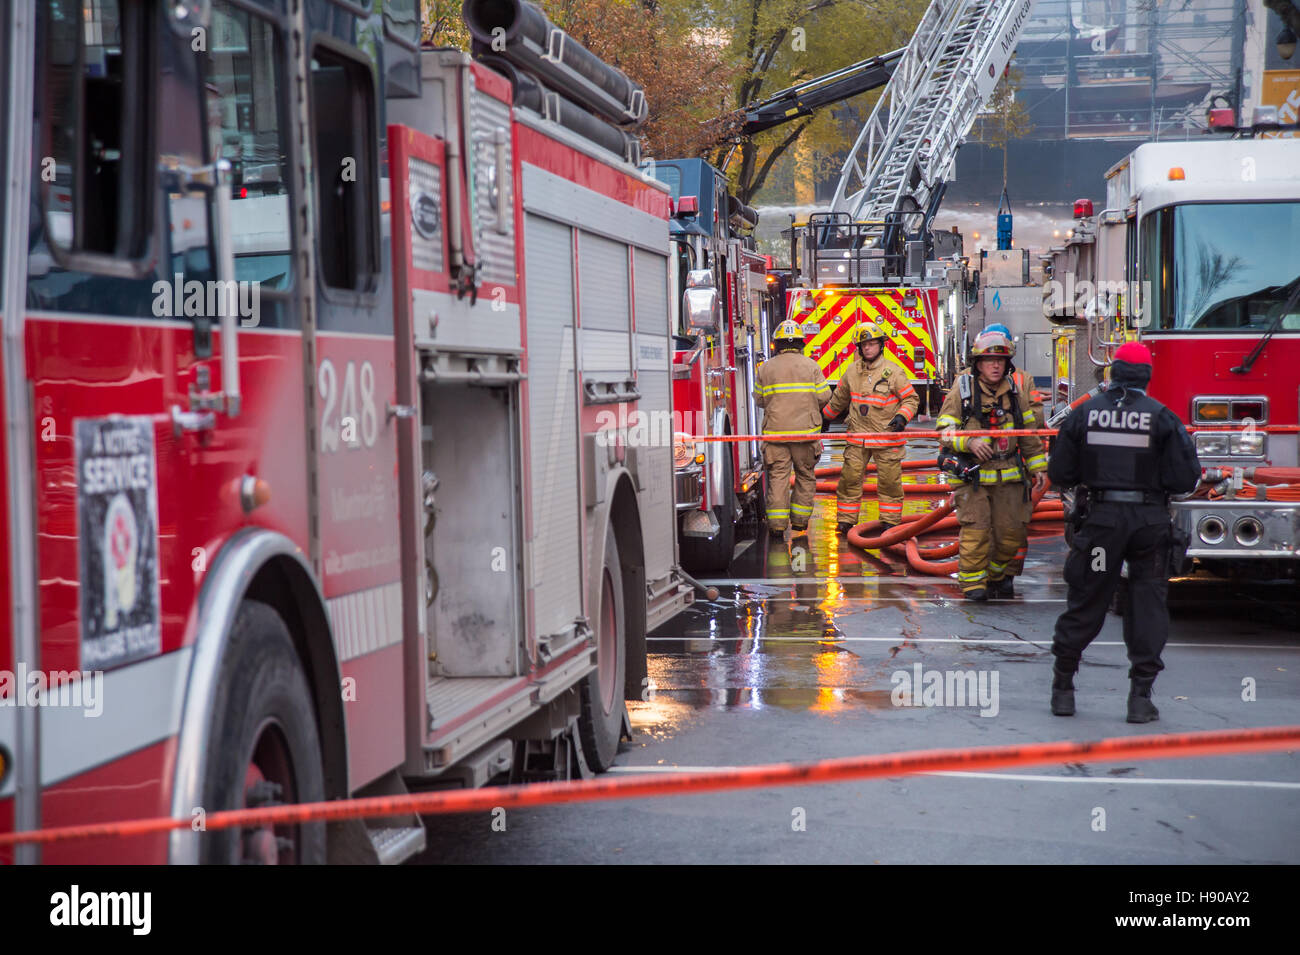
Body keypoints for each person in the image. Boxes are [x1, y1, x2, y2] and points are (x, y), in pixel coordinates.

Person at [1047, 342, 1201, 723]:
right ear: (1147, 376)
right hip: (1148, 525)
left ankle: (1063, 689)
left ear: (1112, 373)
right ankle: (1140, 697)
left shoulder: (1084, 414)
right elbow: (1185, 478)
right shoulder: (1162, 417)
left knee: (1088, 598)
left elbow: (1060, 473)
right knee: (1147, 603)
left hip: (1102, 525)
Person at [936, 329, 1048, 600]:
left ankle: (996, 575)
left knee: (1011, 532)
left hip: (1009, 477)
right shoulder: (963, 390)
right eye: (989, 360)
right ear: (978, 363)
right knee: (976, 530)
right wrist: (970, 442)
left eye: (1000, 360)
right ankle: (974, 585)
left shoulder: (1016, 391)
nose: (995, 365)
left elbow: (1028, 434)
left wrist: (1038, 467)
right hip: (974, 477)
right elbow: (944, 428)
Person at [823, 322, 918, 535]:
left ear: (881, 346)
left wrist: (902, 418)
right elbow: (839, 399)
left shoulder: (894, 372)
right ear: (859, 348)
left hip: (886, 438)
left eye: (872, 344)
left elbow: (911, 399)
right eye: (864, 345)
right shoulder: (851, 372)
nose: (868, 348)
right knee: (849, 480)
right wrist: (825, 417)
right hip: (857, 438)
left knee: (890, 483)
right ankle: (846, 521)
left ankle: (890, 522)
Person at [754, 319, 830, 536]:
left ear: (776, 344)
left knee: (778, 478)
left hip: (775, 435)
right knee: (805, 476)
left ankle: (777, 527)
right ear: (800, 343)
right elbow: (825, 396)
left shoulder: (765, 368)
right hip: (805, 435)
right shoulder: (812, 366)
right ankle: (799, 522)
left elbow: (759, 400)